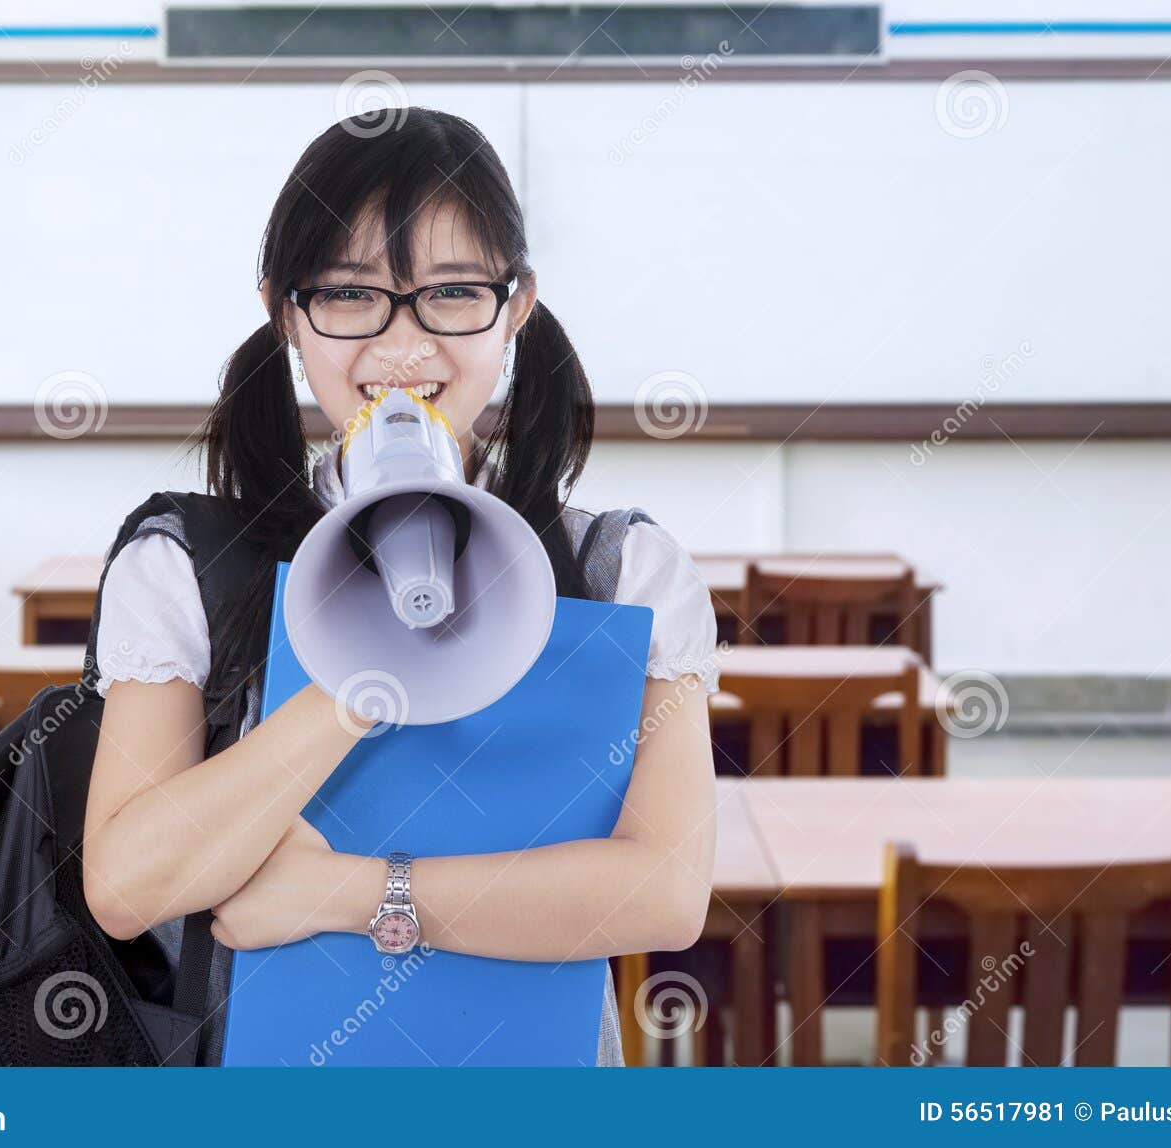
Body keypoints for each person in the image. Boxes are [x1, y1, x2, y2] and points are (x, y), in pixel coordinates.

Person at [81, 106, 719, 1066]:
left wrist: (348, 894)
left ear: (518, 308)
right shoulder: (184, 565)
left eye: (452, 292)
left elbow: (665, 892)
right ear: (286, 315)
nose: (403, 345)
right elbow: (127, 883)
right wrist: (364, 674)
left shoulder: (625, 572)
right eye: (349, 295)